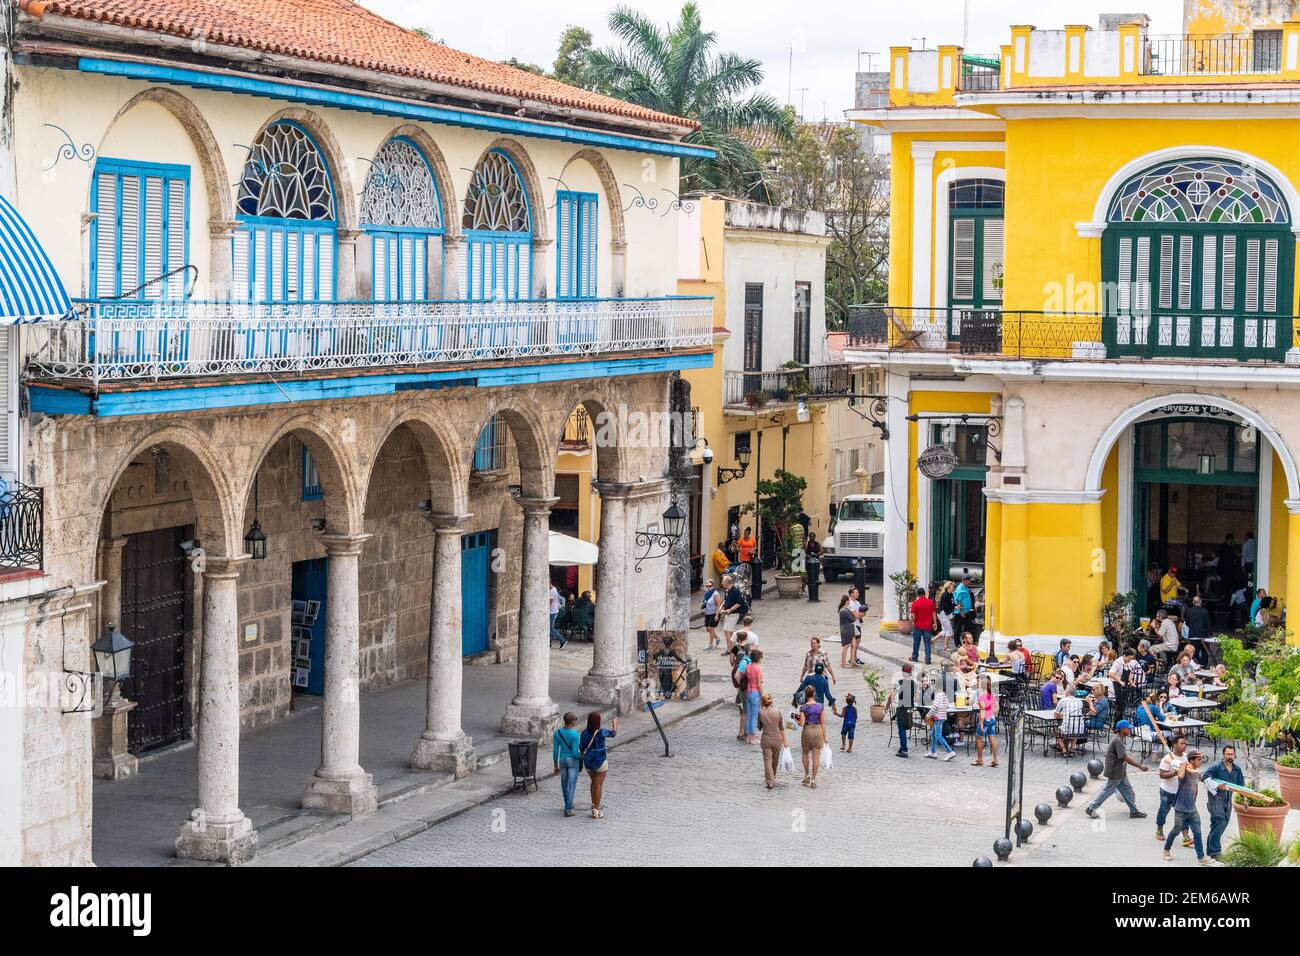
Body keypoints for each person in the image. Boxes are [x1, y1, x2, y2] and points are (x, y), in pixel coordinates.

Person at [1084, 720, 1149, 819]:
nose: (1130, 729)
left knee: (1127, 790)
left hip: (1120, 770)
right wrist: (1139, 766)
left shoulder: (1121, 738)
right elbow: (1125, 758)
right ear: (1122, 729)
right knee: (1108, 791)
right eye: (1128, 728)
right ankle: (1091, 808)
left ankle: (1134, 811)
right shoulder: (1117, 740)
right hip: (1115, 771)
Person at [1162, 749, 1212, 865]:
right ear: (1191, 761)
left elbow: (1203, 778)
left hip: (1192, 809)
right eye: (1198, 759)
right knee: (1176, 830)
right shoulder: (1184, 770)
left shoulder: (1195, 771)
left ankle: (1201, 857)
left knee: (1197, 833)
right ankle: (1166, 850)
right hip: (1181, 808)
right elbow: (1180, 776)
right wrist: (1184, 764)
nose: (1200, 762)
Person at [1202, 745, 1246, 860]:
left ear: (1235, 755)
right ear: (1223, 755)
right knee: (1219, 822)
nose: (1230, 756)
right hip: (1216, 801)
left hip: (1228, 802)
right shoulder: (1216, 767)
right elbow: (1204, 777)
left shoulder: (1237, 770)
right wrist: (1217, 785)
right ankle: (1216, 852)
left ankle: (1209, 849)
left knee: (1220, 825)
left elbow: (1241, 786)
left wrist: (1244, 799)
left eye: (1232, 754)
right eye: (1228, 754)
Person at [1155, 734, 1193, 846]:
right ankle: (1159, 829)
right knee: (1163, 811)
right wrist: (1175, 772)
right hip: (1168, 791)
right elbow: (1162, 774)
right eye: (1182, 743)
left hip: (1182, 792)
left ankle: (1185, 836)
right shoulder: (1167, 759)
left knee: (1184, 813)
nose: (1184, 745)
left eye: (1185, 743)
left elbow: (1190, 770)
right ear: (1175, 745)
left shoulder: (1186, 757)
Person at [579, 712, 618, 819]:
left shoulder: (584, 733)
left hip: (589, 762)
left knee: (594, 783)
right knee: (598, 785)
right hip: (600, 761)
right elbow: (613, 733)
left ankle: (593, 806)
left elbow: (581, 748)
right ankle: (596, 810)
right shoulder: (601, 732)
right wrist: (614, 723)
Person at [552, 712, 583, 817]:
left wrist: (555, 765)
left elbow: (555, 751)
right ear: (573, 721)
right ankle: (568, 808)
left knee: (564, 784)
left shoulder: (557, 733)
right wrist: (582, 756)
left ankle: (567, 803)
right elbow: (575, 753)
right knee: (572, 785)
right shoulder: (575, 734)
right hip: (572, 761)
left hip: (562, 760)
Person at [795, 686, 827, 788]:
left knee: (805, 753)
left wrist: (796, 720)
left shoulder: (803, 708)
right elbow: (823, 723)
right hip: (818, 730)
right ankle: (813, 779)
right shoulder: (820, 706)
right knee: (816, 756)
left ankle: (807, 774)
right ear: (814, 694)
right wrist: (825, 736)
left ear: (806, 695)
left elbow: (801, 723)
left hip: (807, 731)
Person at [758, 693, 788, 790]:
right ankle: (773, 777)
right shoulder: (777, 712)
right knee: (775, 760)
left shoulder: (761, 713)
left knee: (767, 760)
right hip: (777, 739)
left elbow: (759, 728)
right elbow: (781, 728)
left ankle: (769, 781)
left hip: (766, 739)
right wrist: (785, 740)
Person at [888, 663, 919, 758]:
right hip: (910, 709)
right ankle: (902, 748)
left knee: (901, 730)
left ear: (903, 672)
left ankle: (904, 749)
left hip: (901, 709)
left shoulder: (899, 683)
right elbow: (917, 698)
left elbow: (892, 697)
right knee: (905, 728)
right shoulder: (915, 684)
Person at [972, 674, 999, 767]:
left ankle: (979, 760)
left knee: (979, 738)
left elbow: (982, 710)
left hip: (985, 719)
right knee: (992, 737)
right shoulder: (991, 694)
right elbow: (997, 708)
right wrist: (991, 712)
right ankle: (995, 759)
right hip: (992, 719)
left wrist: (982, 722)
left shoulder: (981, 696)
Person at [925, 682, 956, 762]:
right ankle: (933, 752)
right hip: (942, 717)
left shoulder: (937, 695)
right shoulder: (944, 695)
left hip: (937, 717)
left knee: (938, 735)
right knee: (934, 733)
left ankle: (950, 752)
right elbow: (947, 705)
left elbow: (934, 707)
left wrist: (928, 715)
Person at [1054, 686, 1086, 756]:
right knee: (1075, 727)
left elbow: (1055, 714)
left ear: (1067, 692)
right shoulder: (1080, 701)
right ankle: (1072, 749)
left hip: (1067, 730)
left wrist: (1061, 715)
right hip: (1079, 730)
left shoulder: (1063, 700)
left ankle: (1064, 750)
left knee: (1057, 730)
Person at [719, 574, 746, 654]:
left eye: (723, 582)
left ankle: (729, 650)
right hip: (727, 614)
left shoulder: (735, 591)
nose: (722, 583)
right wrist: (721, 607)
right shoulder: (727, 590)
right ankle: (735, 646)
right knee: (729, 631)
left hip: (733, 614)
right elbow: (726, 600)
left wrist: (730, 610)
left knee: (727, 631)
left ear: (728, 582)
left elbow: (739, 603)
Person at [742, 649, 765, 744]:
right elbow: (759, 684)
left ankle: (748, 736)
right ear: (758, 658)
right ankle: (753, 736)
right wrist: (763, 695)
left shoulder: (748, 667)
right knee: (754, 716)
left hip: (748, 691)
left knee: (749, 714)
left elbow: (744, 676)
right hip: (755, 693)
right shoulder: (758, 669)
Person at [910, 585, 936, 665]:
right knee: (927, 643)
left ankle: (915, 657)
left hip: (918, 626)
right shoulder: (930, 602)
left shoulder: (915, 603)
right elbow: (934, 613)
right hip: (928, 626)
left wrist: (913, 620)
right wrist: (935, 623)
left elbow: (913, 617)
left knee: (916, 642)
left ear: (918, 594)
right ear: (924, 594)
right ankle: (927, 659)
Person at [846, 585, 866, 665]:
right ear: (851, 594)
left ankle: (855, 657)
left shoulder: (857, 602)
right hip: (852, 625)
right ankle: (852, 659)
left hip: (857, 624)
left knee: (858, 641)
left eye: (858, 592)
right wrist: (860, 614)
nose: (858, 594)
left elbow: (863, 613)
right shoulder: (850, 604)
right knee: (854, 643)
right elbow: (857, 615)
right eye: (856, 593)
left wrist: (860, 614)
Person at [837, 594, 857, 668]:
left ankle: (852, 660)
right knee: (846, 646)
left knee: (854, 644)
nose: (849, 601)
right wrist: (853, 615)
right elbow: (852, 619)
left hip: (850, 629)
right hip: (846, 630)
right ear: (846, 601)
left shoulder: (846, 609)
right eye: (849, 600)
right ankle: (843, 663)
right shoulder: (844, 610)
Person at [937, 581, 957, 652]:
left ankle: (933, 640)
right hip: (942, 613)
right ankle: (945, 646)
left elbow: (952, 604)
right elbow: (945, 607)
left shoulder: (951, 594)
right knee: (949, 630)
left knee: (945, 631)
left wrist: (956, 606)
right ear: (948, 587)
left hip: (945, 614)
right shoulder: (945, 595)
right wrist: (954, 608)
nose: (953, 588)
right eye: (952, 587)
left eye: (953, 587)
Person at [701, 579, 721, 650]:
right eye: (707, 586)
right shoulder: (707, 594)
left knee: (711, 629)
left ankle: (710, 645)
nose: (708, 587)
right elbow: (706, 602)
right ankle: (717, 638)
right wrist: (703, 605)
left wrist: (717, 614)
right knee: (707, 629)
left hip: (714, 613)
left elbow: (719, 604)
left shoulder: (715, 594)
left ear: (713, 586)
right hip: (708, 613)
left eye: (710, 586)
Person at [548, 583, 567, 648]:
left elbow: (548, 603)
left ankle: (562, 640)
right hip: (552, 611)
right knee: (549, 628)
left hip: (552, 612)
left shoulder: (552, 591)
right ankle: (549, 642)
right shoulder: (553, 589)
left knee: (551, 628)